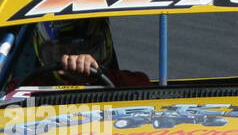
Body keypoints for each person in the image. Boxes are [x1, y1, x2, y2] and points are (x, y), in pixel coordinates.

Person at [14, 17, 150, 88]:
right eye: (60, 51)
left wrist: (96, 80)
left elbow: (152, 101)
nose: (75, 61)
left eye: (86, 48)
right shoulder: (26, 88)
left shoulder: (127, 83)